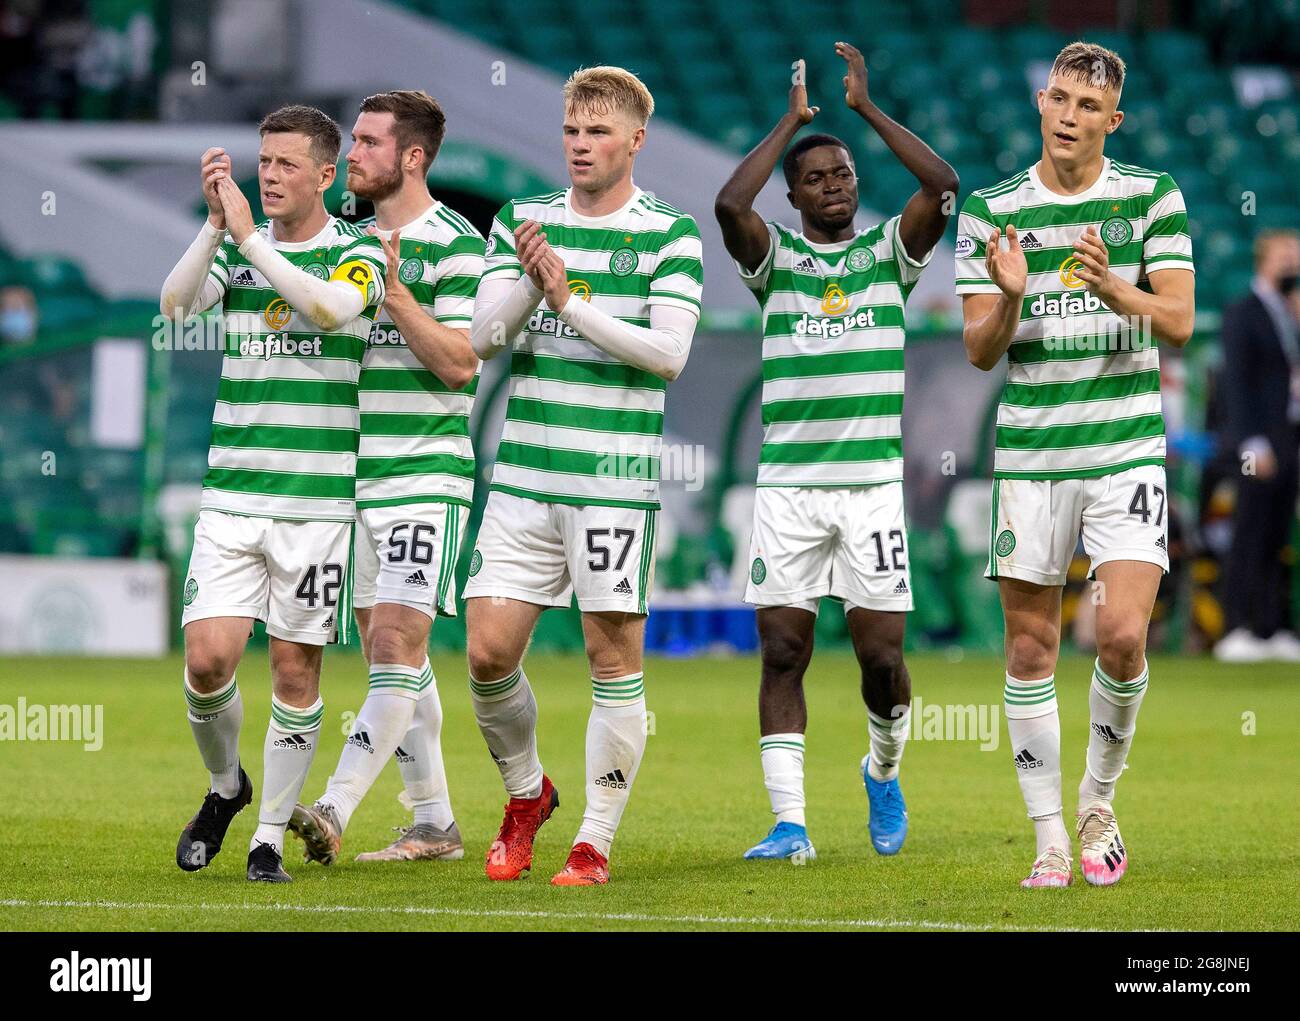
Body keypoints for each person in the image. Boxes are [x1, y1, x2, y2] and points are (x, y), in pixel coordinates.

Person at [956, 42, 1195, 888]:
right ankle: (1051, 836)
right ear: (1041, 101)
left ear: (1112, 120)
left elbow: (1178, 322)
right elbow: (982, 350)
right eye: (1058, 98)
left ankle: (1098, 798)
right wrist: (1015, 293)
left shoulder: (1149, 196)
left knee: (1123, 635)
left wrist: (1113, 289)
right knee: (1030, 648)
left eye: (1088, 107)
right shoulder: (990, 211)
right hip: (1032, 454)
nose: (1068, 116)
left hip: (1125, 447)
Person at [713, 43, 956, 861]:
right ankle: (790, 824)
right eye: (815, 177)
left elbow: (942, 187)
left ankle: (882, 771)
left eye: (843, 173)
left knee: (881, 657)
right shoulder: (773, 261)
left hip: (871, 492)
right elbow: (726, 206)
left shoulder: (889, 254)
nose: (833, 184)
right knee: (783, 649)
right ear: (792, 195)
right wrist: (792, 122)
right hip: (788, 489)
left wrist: (863, 111)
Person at [465, 66, 703, 885]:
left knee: (612, 658)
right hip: (525, 476)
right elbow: (483, 340)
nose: (579, 145)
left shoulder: (670, 234)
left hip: (613, 484)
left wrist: (571, 303)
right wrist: (534, 289)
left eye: (597, 132)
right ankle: (527, 793)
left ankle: (594, 840)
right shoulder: (521, 221)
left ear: (636, 140)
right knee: (487, 654)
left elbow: (668, 355)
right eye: (571, 130)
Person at [161, 105, 387, 883]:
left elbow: (327, 312)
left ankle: (265, 840)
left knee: (296, 671)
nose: (270, 174)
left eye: (287, 164)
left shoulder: (360, 250)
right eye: (263, 161)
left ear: (326, 175)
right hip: (232, 497)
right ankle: (227, 786)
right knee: (206, 660)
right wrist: (214, 230)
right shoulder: (237, 251)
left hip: (317, 505)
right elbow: (176, 307)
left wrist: (252, 238)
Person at [288, 90, 484, 865]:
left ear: (412, 157)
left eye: (368, 143)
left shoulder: (459, 246)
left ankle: (333, 808)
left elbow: (461, 362)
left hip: (424, 475)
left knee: (399, 642)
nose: (353, 155)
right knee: (388, 655)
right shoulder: (344, 242)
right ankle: (434, 822)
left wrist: (393, 289)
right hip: (351, 482)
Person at [1215, 229, 1300, 663]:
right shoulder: (1242, 313)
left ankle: (1269, 627)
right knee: (1248, 531)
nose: (1293, 263)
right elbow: (1237, 386)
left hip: (1287, 440)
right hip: (1256, 443)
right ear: (1263, 259)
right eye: (1285, 254)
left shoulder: (1289, 313)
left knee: (1276, 535)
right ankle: (1235, 627)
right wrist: (1252, 442)